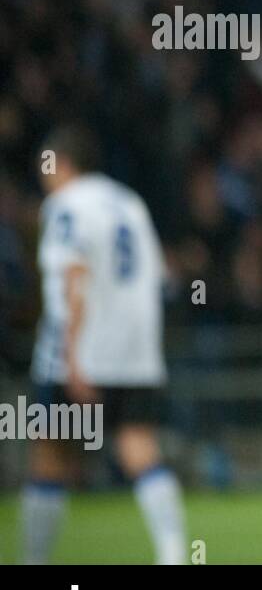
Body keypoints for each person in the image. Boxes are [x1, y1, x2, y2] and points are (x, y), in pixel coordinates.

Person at [23, 126, 187, 565]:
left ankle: (33, 561)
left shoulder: (65, 206)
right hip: (136, 354)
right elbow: (158, 277)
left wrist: (74, 358)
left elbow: (73, 278)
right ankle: (172, 554)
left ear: (60, 162)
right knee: (138, 447)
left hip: (78, 355)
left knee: (51, 455)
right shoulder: (129, 202)